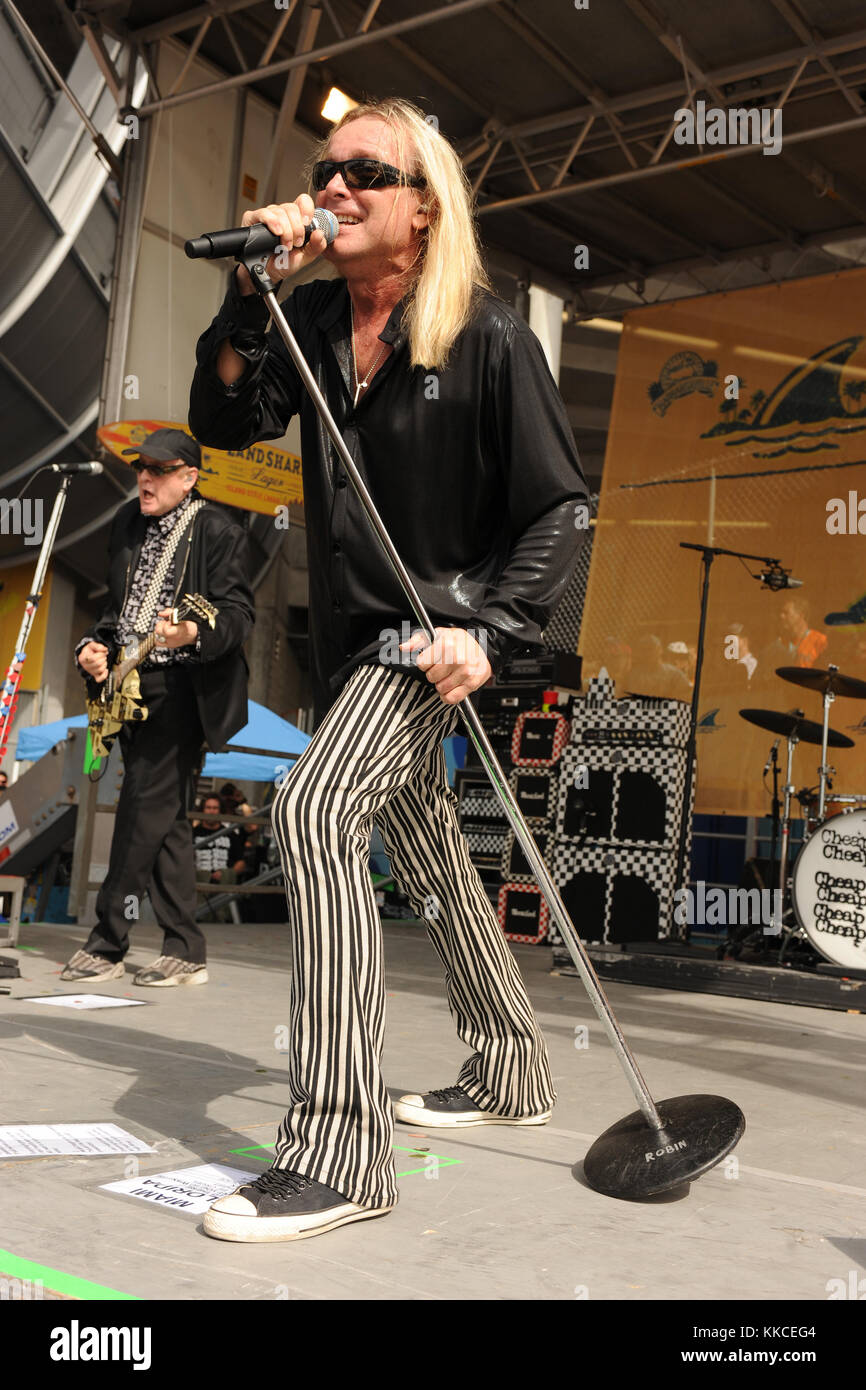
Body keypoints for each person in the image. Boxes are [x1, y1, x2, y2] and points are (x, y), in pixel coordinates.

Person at [189, 98, 588, 1242]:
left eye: (368, 170)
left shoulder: (488, 335)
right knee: (424, 845)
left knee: (314, 806)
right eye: (327, 167)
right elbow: (220, 418)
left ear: (424, 208)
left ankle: (338, 1146)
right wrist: (249, 285)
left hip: (437, 629)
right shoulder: (308, 315)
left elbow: (561, 503)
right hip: (353, 634)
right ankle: (511, 1060)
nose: (336, 185)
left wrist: (495, 627)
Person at [60, 429, 254, 988]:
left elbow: (239, 615)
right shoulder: (126, 523)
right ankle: (185, 948)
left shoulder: (219, 531)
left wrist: (192, 630)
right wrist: (90, 649)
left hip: (186, 689)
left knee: (140, 806)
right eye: (140, 468)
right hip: (128, 687)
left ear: (189, 477)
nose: (145, 479)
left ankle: (107, 942)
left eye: (159, 470)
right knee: (165, 820)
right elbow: (112, 611)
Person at [193, 793, 247, 922]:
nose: (211, 811)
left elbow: (241, 862)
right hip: (198, 886)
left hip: (223, 885)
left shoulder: (230, 834)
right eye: (208, 808)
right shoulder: (192, 833)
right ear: (202, 810)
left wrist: (227, 873)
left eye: (215, 808)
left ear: (220, 811)